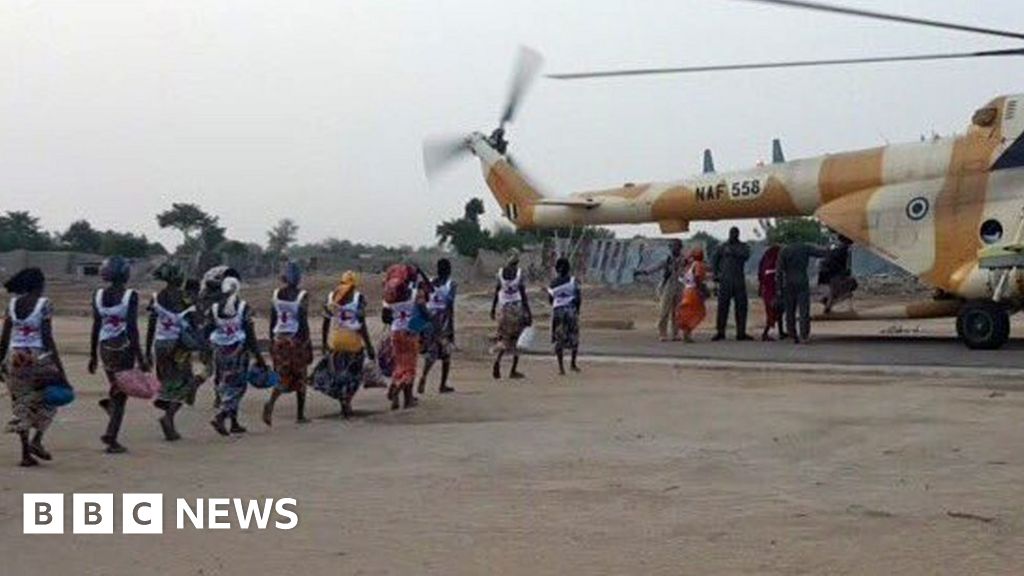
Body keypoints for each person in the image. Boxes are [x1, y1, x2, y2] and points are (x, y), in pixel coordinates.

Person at [0, 268, 66, 467]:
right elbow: (47, 337)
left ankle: (24, 454)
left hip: (15, 356)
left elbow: (4, 339)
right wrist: (58, 367)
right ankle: (37, 440)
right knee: (51, 398)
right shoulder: (44, 304)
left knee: (21, 403)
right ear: (39, 284)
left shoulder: (11, 305)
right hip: (37, 356)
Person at [88, 256, 148, 454]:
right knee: (122, 393)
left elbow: (96, 326)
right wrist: (141, 356)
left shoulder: (97, 295)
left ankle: (111, 410)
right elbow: (132, 328)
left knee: (117, 386)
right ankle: (111, 436)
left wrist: (93, 355)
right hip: (124, 348)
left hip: (105, 348)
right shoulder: (130, 295)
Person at [145, 262, 199, 441]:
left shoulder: (156, 297)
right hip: (178, 346)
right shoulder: (184, 298)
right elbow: (193, 322)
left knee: (168, 380)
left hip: (160, 344)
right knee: (186, 383)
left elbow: (151, 326)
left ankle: (167, 413)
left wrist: (147, 352)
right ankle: (168, 417)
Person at [208, 276, 266, 435]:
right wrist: (259, 358)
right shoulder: (243, 307)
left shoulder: (213, 308)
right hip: (238, 353)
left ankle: (234, 422)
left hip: (220, 352)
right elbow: (250, 335)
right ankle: (221, 416)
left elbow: (208, 331)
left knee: (225, 385)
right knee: (237, 387)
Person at [263, 262, 313, 426]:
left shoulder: (276, 294)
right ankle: (300, 415)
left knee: (282, 377)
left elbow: (272, 320)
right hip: (295, 340)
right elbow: (303, 322)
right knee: (301, 377)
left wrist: (272, 341)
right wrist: (308, 344)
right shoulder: (301, 295)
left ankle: (271, 403)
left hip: (279, 340)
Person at [320, 271, 376, 417]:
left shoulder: (331, 297)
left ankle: (343, 402)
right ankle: (348, 400)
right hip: (353, 342)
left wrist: (324, 343)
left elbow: (325, 322)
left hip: (336, 341)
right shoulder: (359, 298)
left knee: (339, 374)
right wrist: (369, 346)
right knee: (354, 375)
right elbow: (362, 324)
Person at [382, 264, 430, 409]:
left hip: (396, 332)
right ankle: (399, 388)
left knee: (399, 364)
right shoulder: (415, 293)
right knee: (410, 367)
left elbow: (386, 318)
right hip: (410, 331)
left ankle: (400, 394)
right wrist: (419, 326)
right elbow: (424, 313)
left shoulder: (390, 296)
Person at [490, 251, 532, 380]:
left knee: (503, 339)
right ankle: (513, 370)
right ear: (517, 263)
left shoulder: (500, 273)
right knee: (517, 340)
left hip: (503, 309)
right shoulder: (519, 274)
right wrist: (528, 312)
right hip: (517, 309)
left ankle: (497, 361)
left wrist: (492, 309)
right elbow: (523, 294)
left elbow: (497, 291)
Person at [777, 242, 828, 343]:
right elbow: (821, 253)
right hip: (802, 281)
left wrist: (779, 288)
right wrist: (831, 250)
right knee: (804, 310)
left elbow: (779, 271)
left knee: (790, 310)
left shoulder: (784, 250)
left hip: (788, 282)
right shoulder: (804, 248)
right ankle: (804, 335)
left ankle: (792, 334)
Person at [418, 258, 457, 394]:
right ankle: (442, 384)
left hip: (429, 320)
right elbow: (450, 302)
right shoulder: (451, 284)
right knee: (446, 354)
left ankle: (424, 376)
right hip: (443, 322)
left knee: (432, 352)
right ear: (449, 270)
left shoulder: (430, 283)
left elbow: (423, 298)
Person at [635, 239, 686, 341]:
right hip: (668, 285)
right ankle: (663, 333)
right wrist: (643, 272)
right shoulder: (667, 259)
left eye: (676, 246)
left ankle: (675, 333)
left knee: (677, 312)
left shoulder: (684, 260)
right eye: (672, 246)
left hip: (680, 286)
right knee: (664, 311)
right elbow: (656, 267)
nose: (674, 248)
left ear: (680, 248)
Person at [711, 227, 752, 341]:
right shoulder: (722, 247)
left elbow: (746, 255)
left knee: (741, 307)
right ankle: (720, 332)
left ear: (738, 234)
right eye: (731, 233)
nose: (732, 235)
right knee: (722, 307)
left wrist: (732, 252)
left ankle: (741, 332)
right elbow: (714, 260)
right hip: (725, 280)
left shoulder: (742, 246)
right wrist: (715, 274)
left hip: (739, 280)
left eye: (735, 233)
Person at [548, 257, 582, 375]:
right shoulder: (573, 281)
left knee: (559, 338)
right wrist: (577, 311)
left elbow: (550, 299)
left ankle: (561, 368)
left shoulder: (553, 283)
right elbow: (578, 297)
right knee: (574, 336)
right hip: (570, 310)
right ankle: (572, 364)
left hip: (558, 312)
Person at [675, 248, 708, 342]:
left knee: (688, 312)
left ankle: (686, 333)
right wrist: (701, 290)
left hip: (686, 291)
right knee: (698, 312)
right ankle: (687, 332)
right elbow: (697, 277)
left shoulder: (690, 265)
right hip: (693, 291)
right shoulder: (698, 265)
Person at [819, 236, 856, 314]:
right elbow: (839, 264)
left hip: (828, 274)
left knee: (835, 292)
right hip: (835, 274)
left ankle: (827, 302)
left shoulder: (836, 249)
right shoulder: (843, 250)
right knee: (838, 292)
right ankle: (827, 306)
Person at [757, 245, 786, 341]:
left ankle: (781, 332)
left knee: (776, 311)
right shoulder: (776, 264)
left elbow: (761, 275)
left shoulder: (765, 263)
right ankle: (765, 334)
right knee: (774, 311)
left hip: (767, 291)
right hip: (773, 291)